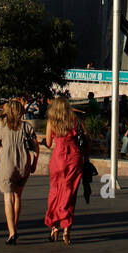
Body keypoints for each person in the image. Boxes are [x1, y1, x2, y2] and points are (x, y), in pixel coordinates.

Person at [0, 101, 38, 244]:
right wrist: (34, 163)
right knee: (18, 196)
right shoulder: (27, 127)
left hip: (6, 165)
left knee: (8, 198)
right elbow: (36, 147)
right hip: (23, 164)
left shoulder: (3, 129)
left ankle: (11, 232)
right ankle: (15, 226)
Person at [43, 97, 84, 245]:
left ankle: (54, 226)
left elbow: (48, 143)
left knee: (55, 191)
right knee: (69, 192)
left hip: (58, 157)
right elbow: (84, 137)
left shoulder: (52, 122)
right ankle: (66, 228)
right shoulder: (74, 120)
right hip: (74, 157)